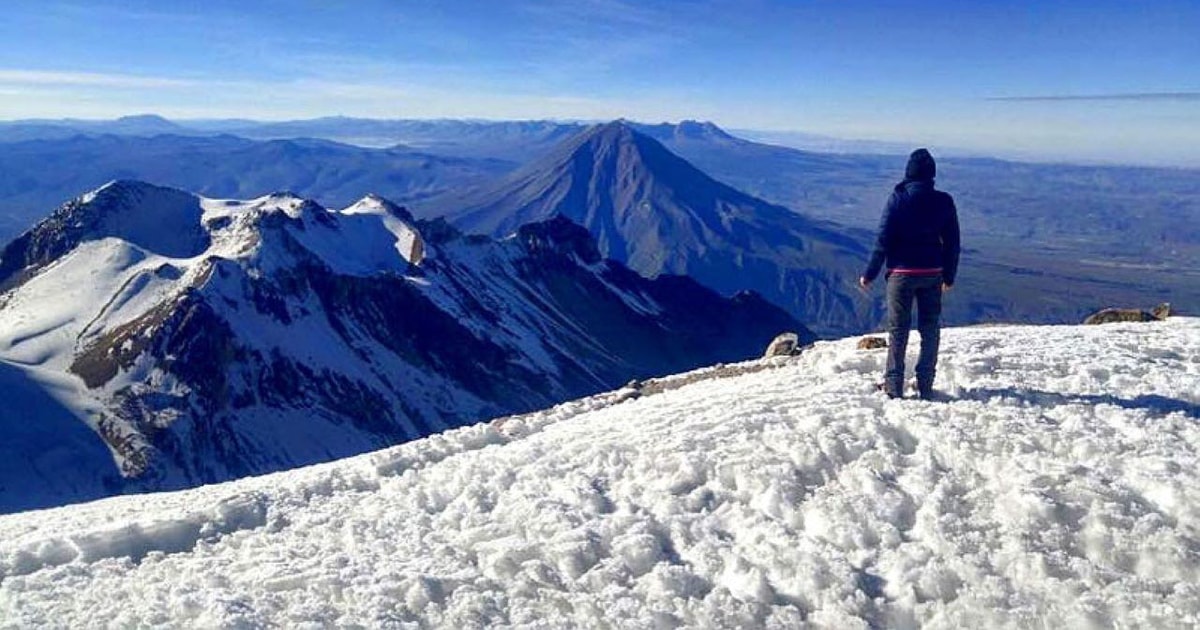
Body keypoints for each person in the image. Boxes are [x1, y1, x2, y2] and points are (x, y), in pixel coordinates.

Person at [859, 148, 960, 400]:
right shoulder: (944, 201)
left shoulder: (898, 199)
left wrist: (870, 273)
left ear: (908, 173)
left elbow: (883, 240)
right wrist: (949, 276)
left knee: (898, 330)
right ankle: (925, 385)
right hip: (932, 273)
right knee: (930, 329)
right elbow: (952, 243)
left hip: (901, 274)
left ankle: (893, 387)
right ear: (932, 175)